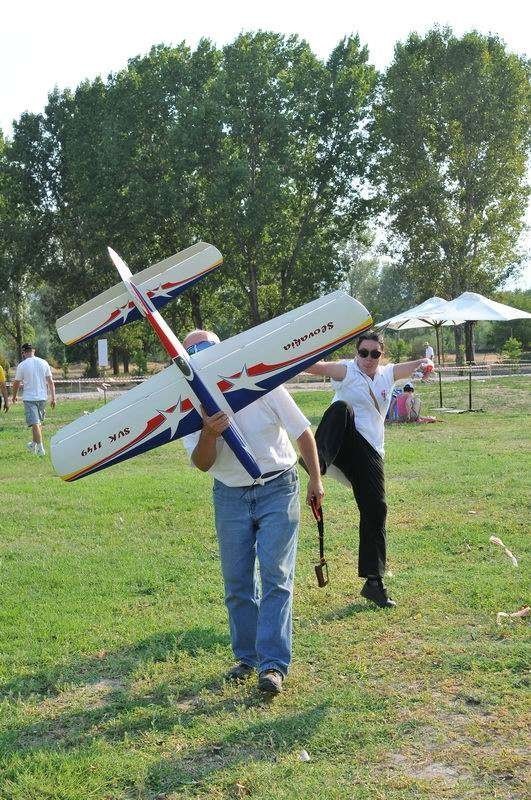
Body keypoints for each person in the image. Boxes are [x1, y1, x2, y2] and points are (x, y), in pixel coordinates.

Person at [181, 329, 323, 696]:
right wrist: (209, 433)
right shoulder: (188, 406)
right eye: (194, 352)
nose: (203, 357)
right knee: (238, 582)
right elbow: (201, 462)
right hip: (229, 494)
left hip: (279, 486)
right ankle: (247, 658)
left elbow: (302, 432)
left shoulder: (261, 380)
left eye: (208, 350)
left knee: (277, 576)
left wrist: (315, 480)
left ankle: (273, 665)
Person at [304, 330, 432, 608]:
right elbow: (317, 367)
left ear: (381, 354)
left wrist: (425, 364)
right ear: (356, 352)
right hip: (344, 443)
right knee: (341, 408)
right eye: (364, 352)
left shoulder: (387, 374)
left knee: (376, 508)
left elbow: (415, 366)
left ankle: (374, 583)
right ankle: (317, 460)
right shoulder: (347, 370)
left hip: (371, 452)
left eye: (375, 353)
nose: (369, 358)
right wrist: (297, 353)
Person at [11, 343, 56, 456]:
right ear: (33, 351)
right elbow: (50, 382)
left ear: (23, 353)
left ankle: (41, 449)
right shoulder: (44, 362)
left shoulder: (22, 365)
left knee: (35, 423)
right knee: (37, 423)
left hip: (29, 398)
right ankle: (33, 445)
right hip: (42, 397)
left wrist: (14, 395)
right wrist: (53, 398)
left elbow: (16, 382)